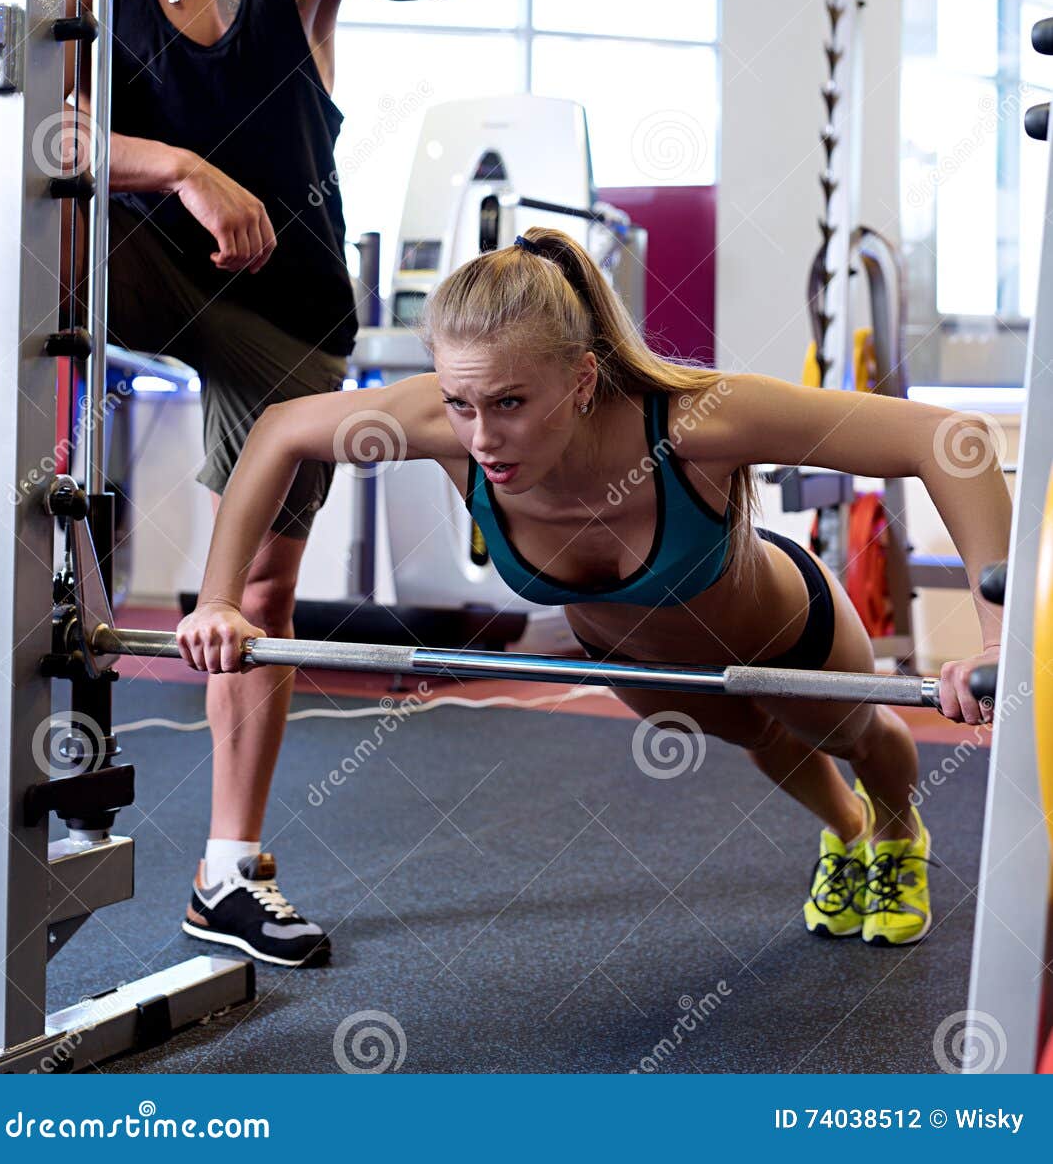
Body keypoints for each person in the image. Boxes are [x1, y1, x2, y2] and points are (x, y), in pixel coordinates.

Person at [177, 227, 1010, 953]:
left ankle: (898, 831)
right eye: (460, 402)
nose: (482, 436)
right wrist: (218, 597)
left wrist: (996, 636)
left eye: (509, 402)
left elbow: (949, 440)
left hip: (784, 630)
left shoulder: (692, 421)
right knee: (759, 737)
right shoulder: (442, 422)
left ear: (580, 380)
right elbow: (283, 430)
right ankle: (850, 833)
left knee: (850, 734)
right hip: (643, 666)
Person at [62, 0, 523, 969]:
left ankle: (226, 872)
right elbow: (45, 137)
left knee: (260, 592)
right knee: (43, 216)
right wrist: (176, 166)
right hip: (143, 267)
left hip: (287, 306)